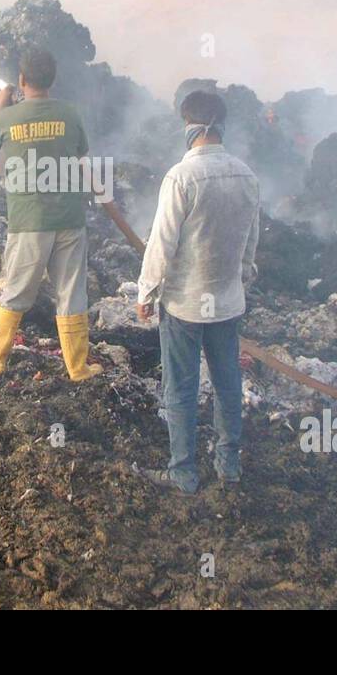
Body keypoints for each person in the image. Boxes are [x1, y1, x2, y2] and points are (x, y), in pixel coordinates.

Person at [135, 90, 260, 494]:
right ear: (221, 127)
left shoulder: (181, 177)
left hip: (185, 304)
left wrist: (146, 292)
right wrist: (242, 277)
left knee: (181, 388)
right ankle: (229, 465)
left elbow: (161, 243)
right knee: (227, 385)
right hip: (227, 303)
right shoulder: (246, 176)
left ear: (189, 128)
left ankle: (184, 472)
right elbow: (250, 241)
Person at [0, 47, 104, 382]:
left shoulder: (7, 117)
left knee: (15, 290)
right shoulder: (70, 114)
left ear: (21, 80)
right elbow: (81, 151)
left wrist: (2, 102)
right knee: (72, 291)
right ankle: (78, 367)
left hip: (29, 220)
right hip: (70, 218)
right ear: (52, 80)